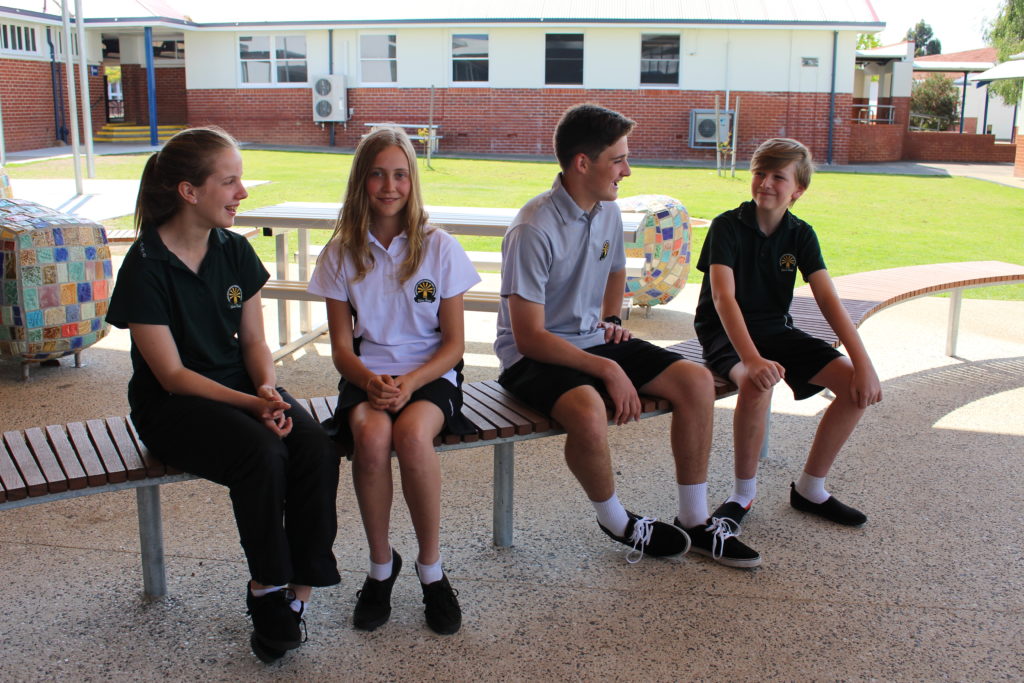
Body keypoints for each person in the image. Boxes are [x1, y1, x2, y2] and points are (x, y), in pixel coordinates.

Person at [105, 127, 341, 663]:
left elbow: (255, 341)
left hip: (241, 388)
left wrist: (265, 389)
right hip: (172, 407)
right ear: (190, 192)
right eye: (230, 181)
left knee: (316, 446)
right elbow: (171, 376)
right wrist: (255, 407)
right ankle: (266, 587)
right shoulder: (145, 265)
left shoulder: (233, 250)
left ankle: (299, 592)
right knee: (260, 453)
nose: (242, 192)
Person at [493, 103, 761, 568]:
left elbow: (615, 270)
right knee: (588, 407)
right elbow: (529, 336)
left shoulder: (606, 211)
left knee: (696, 382)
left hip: (591, 339)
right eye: (618, 160)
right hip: (530, 356)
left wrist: (612, 322)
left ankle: (694, 521)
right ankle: (617, 521)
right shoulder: (532, 228)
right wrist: (606, 367)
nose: (628, 170)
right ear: (583, 163)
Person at [308, 126, 480, 635]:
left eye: (400, 174)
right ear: (361, 180)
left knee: (409, 434)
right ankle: (381, 567)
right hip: (369, 375)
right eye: (378, 174)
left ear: (412, 181)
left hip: (430, 373)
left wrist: (411, 382)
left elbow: (453, 344)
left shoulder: (439, 247)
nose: (390, 186)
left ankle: (432, 571)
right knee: (372, 434)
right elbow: (342, 348)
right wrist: (371, 379)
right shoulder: (341, 252)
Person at [693, 137, 882, 539]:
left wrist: (864, 364)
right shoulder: (726, 226)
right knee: (757, 381)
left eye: (778, 176)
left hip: (774, 328)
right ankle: (743, 494)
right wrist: (753, 359)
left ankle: (811, 489)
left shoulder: (800, 235)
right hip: (725, 331)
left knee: (852, 384)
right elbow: (723, 299)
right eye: (760, 173)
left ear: (797, 190)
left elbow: (829, 300)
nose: (765, 183)